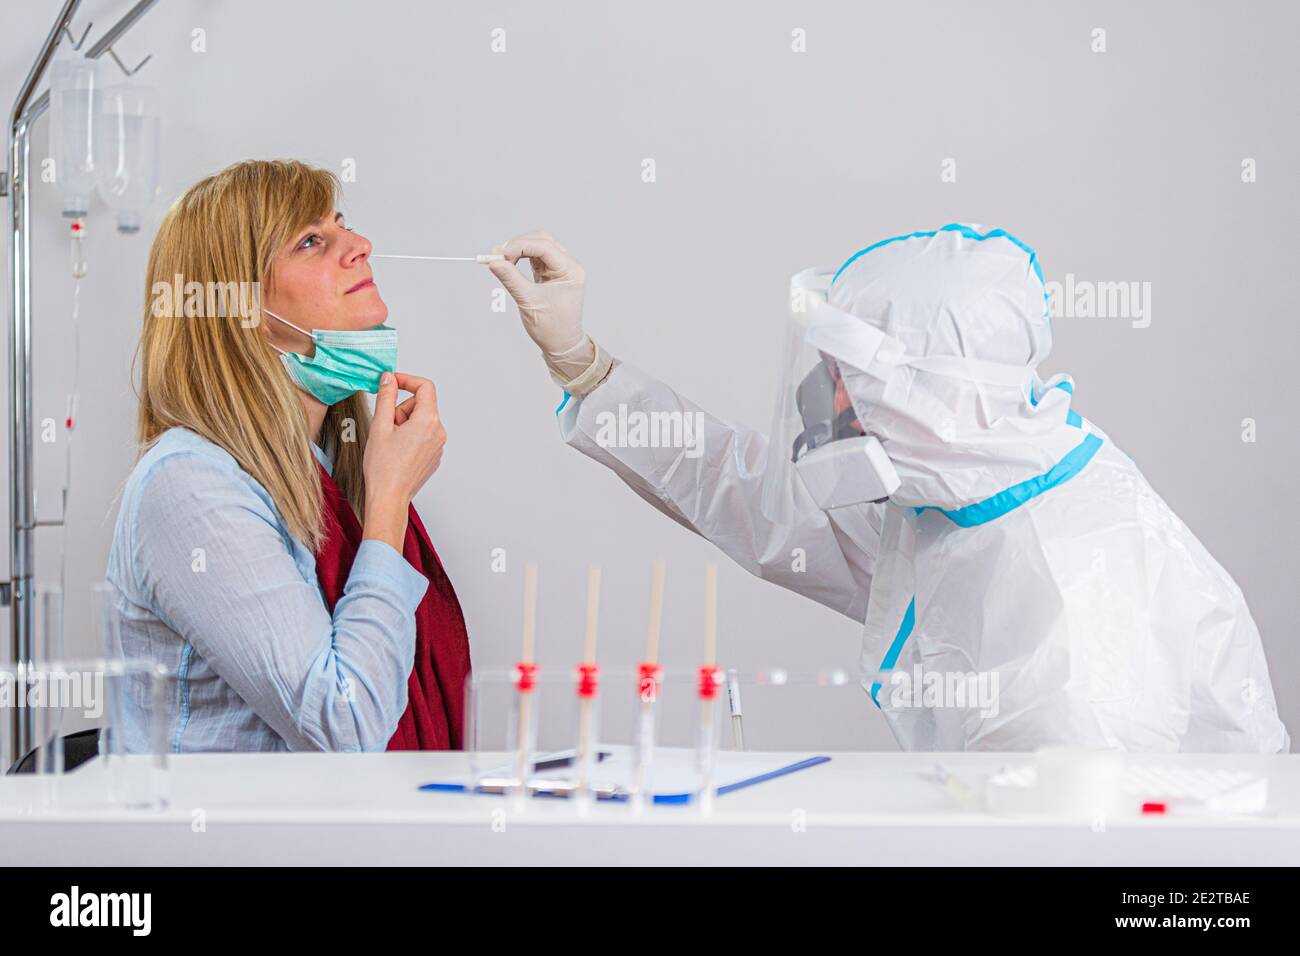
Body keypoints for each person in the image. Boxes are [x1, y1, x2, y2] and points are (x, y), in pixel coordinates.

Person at [487, 225, 1289, 753]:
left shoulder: (1075, 600)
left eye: (843, 377)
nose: (822, 400)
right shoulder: (971, 495)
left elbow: (1078, 854)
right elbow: (764, 507)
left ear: (930, 393)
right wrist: (584, 364)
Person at [105, 159, 470, 752]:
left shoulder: (326, 461)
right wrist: (389, 505)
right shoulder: (190, 484)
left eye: (341, 225)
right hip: (228, 843)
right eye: (311, 241)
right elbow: (345, 726)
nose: (360, 246)